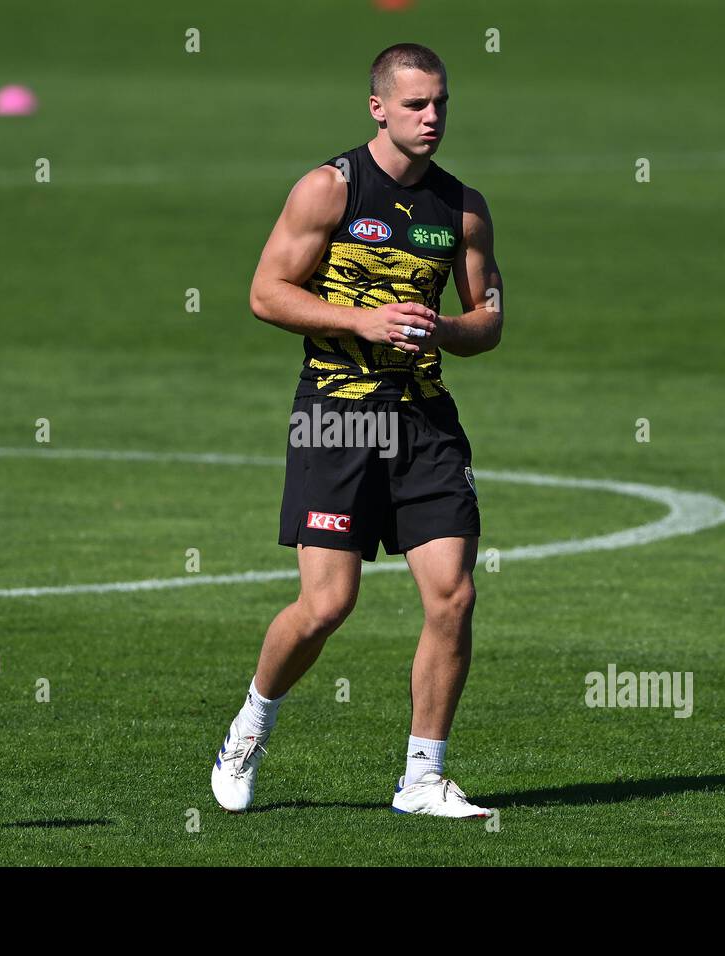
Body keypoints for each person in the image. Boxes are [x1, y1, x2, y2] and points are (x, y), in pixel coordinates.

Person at [211, 42, 504, 817]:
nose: (432, 116)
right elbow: (267, 293)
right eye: (415, 104)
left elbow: (489, 323)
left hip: (425, 421)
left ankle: (422, 778)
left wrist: (442, 328)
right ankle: (250, 725)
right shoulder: (328, 189)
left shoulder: (463, 208)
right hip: (336, 416)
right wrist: (363, 322)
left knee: (454, 596)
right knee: (327, 605)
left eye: (441, 102)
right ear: (379, 107)